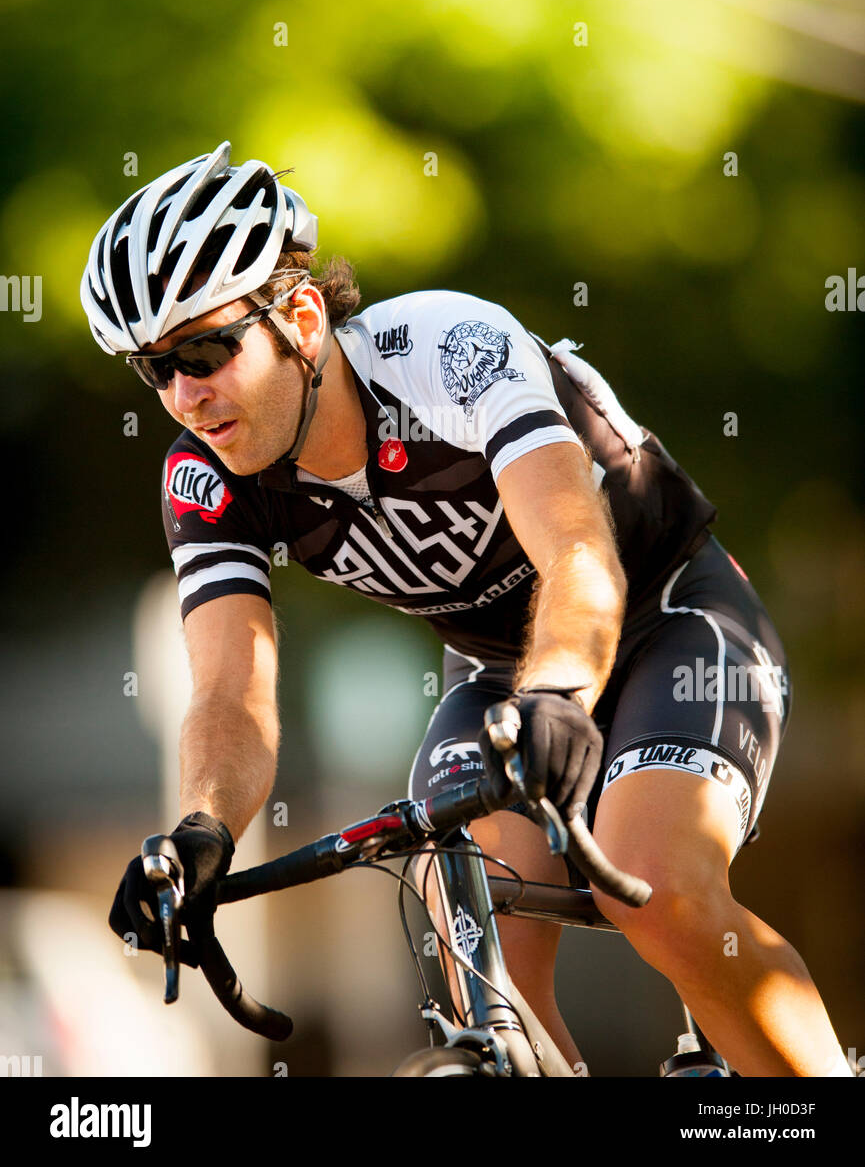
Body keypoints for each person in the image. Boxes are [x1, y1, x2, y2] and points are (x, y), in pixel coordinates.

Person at [82, 141, 852, 1077]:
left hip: (668, 617)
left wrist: (563, 690)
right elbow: (231, 687)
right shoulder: (203, 475)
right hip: (499, 671)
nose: (184, 395)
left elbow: (577, 549)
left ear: (300, 316)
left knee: (657, 892)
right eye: (152, 370)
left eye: (204, 350)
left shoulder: (446, 351)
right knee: (471, 952)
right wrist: (202, 830)